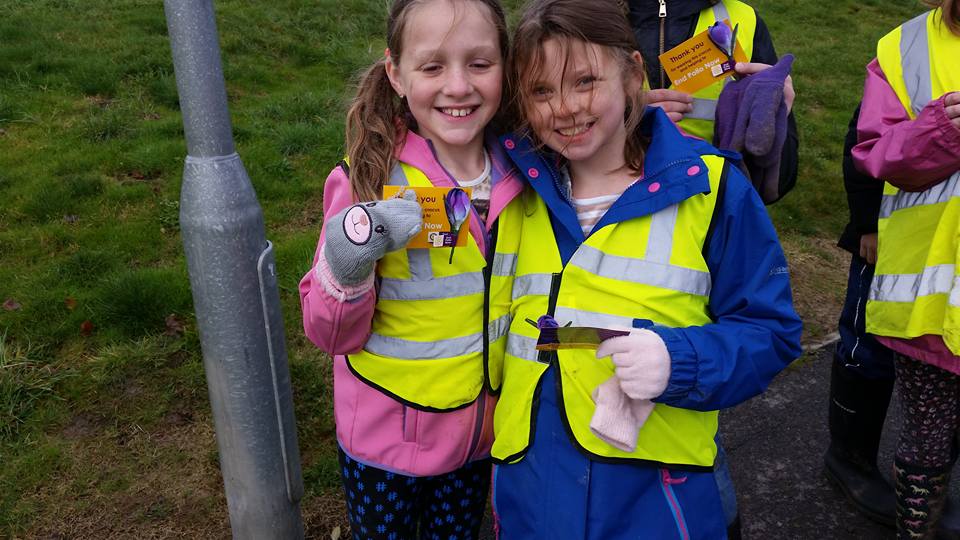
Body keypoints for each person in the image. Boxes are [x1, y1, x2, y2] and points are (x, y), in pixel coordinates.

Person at [488, 0, 802, 537]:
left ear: (633, 72)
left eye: (584, 81)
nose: (563, 108)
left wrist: (679, 362)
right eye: (541, 91)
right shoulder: (516, 191)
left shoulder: (711, 190)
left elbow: (771, 332)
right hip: (531, 489)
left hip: (655, 498)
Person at [298, 0, 523, 537]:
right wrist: (347, 268)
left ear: (506, 66)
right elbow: (328, 333)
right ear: (395, 74)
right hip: (383, 444)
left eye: (479, 63)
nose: (458, 86)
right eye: (432, 67)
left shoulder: (524, 171)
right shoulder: (369, 178)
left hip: (481, 436)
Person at [853, 1, 960, 537]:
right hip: (927, 300)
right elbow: (876, 153)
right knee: (926, 438)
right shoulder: (904, 46)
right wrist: (943, 131)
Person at [626, 0, 798, 204]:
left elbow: (775, 185)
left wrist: (775, 116)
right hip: (609, 210)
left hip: (713, 209)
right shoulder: (587, 17)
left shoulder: (743, 18)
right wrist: (621, 120)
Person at [822, 104, 898, 526]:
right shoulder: (912, 48)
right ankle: (850, 460)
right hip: (894, 235)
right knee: (866, 347)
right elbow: (865, 138)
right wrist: (869, 221)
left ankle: (927, 472)